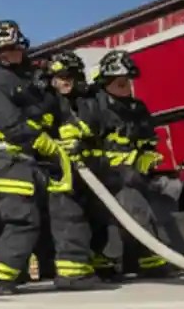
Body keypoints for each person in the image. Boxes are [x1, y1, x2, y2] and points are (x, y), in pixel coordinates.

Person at [0, 20, 100, 295]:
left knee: (67, 210)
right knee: (23, 219)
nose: (10, 54)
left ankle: (73, 273)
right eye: (4, 51)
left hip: (47, 160)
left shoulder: (36, 78)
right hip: (12, 160)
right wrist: (40, 141)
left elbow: (59, 109)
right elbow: (10, 122)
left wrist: (68, 131)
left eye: (14, 48)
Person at [85, 50, 184, 279]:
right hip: (104, 178)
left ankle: (172, 251)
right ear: (106, 83)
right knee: (133, 199)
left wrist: (148, 156)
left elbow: (147, 139)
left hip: (133, 173)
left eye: (128, 83)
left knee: (171, 189)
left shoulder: (136, 108)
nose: (127, 88)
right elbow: (90, 152)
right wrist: (127, 161)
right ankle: (147, 259)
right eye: (121, 84)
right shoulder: (92, 108)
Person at [49, 51, 119, 282]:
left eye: (68, 76)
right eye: (58, 77)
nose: (64, 81)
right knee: (69, 218)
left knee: (100, 219)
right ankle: (72, 272)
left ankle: (100, 262)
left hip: (94, 170)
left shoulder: (91, 99)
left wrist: (84, 132)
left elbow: (106, 124)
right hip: (63, 173)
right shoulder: (48, 102)